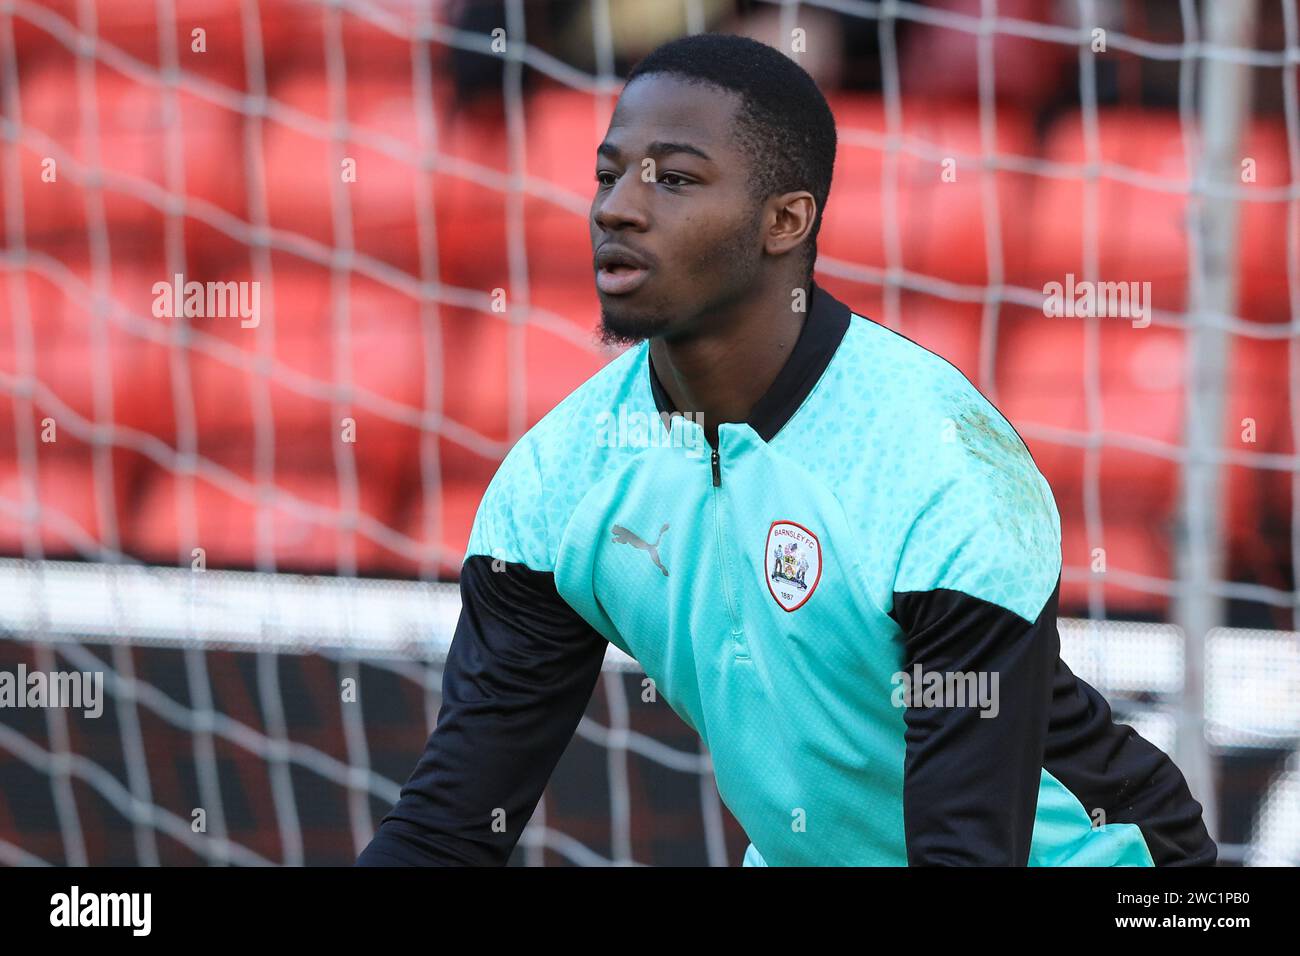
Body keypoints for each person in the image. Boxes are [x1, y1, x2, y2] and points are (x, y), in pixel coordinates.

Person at [357, 32, 1216, 867]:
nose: (617, 207)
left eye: (676, 179)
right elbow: (447, 831)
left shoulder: (938, 465)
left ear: (786, 221)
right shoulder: (558, 484)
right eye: (608, 174)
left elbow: (965, 850)